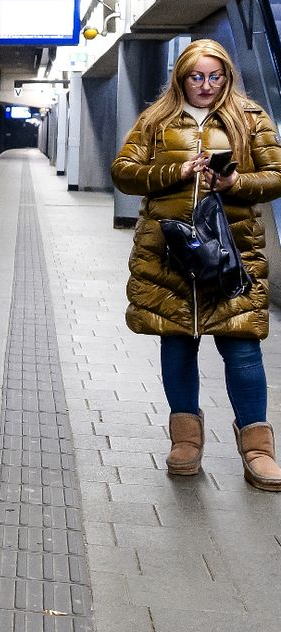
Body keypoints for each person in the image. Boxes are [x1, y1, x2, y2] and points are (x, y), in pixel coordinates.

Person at [111, 39, 281, 490]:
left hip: (233, 251)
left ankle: (258, 448)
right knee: (178, 343)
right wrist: (177, 172)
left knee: (242, 347)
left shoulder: (250, 117)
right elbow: (123, 173)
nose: (206, 85)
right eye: (196, 77)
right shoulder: (156, 119)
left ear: (226, 76)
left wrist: (233, 181)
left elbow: (277, 175)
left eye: (215, 76)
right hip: (169, 252)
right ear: (181, 78)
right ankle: (185, 440)